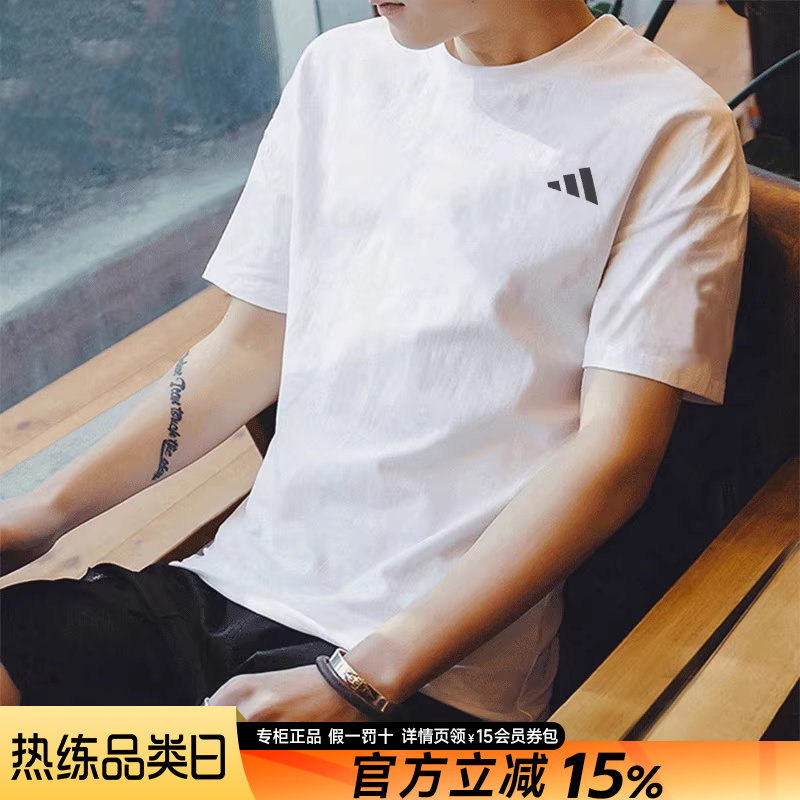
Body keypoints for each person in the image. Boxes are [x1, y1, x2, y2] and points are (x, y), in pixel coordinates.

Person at [0, 0, 750, 721]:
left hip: (432, 676)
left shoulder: (671, 126)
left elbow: (616, 456)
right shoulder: (338, 71)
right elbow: (246, 348)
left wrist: (364, 676)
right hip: (224, 592)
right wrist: (41, 514)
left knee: (95, 771)